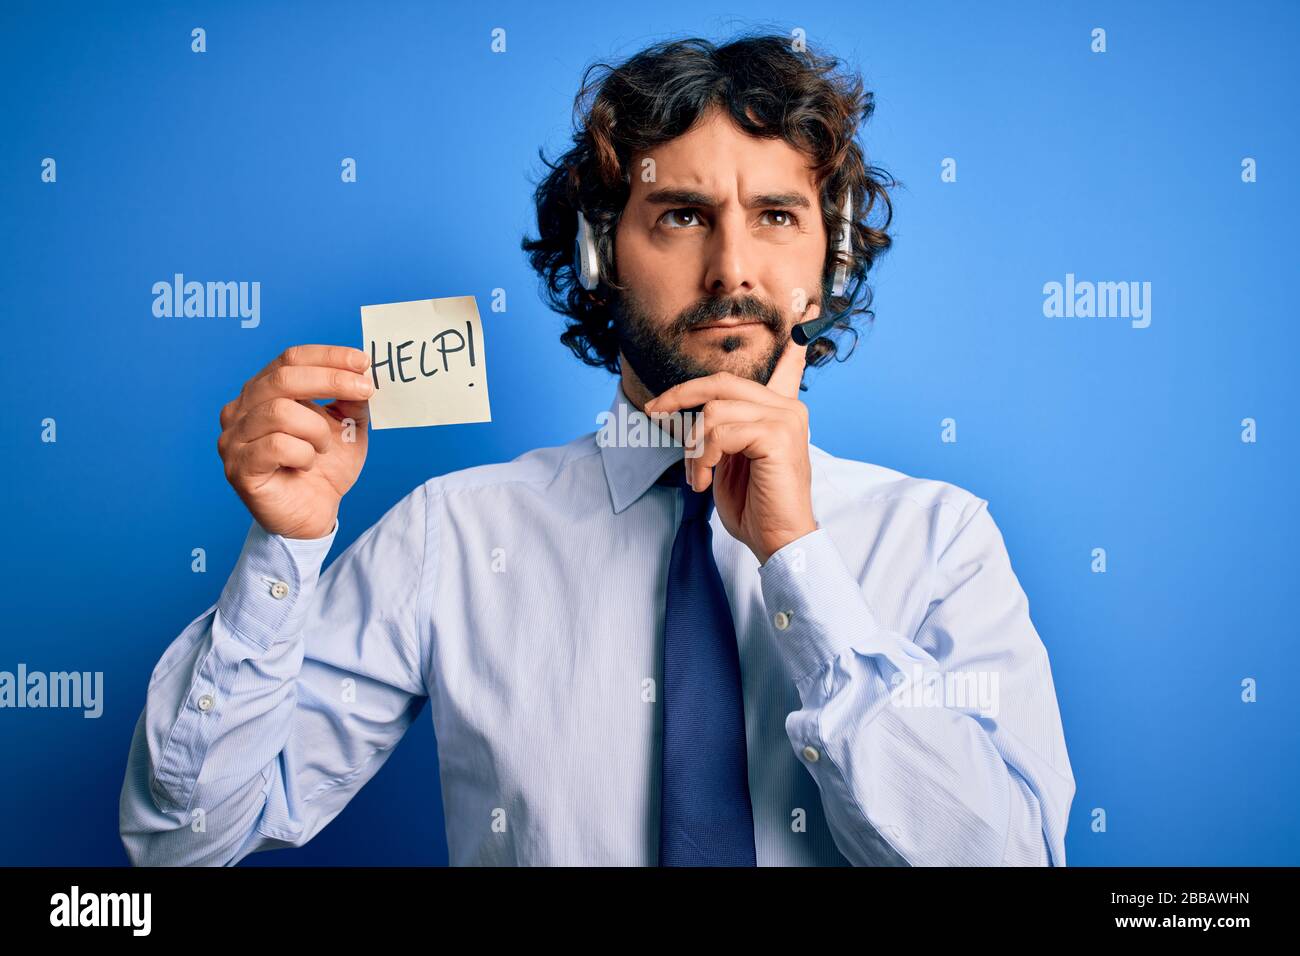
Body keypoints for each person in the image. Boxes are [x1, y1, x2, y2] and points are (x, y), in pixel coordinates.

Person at [119, 33, 1075, 866]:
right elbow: (183, 839)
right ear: (597, 257)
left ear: (827, 272)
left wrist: (801, 566)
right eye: (682, 215)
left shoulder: (943, 540)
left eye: (778, 217)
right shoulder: (454, 534)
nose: (733, 267)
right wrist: (282, 550)